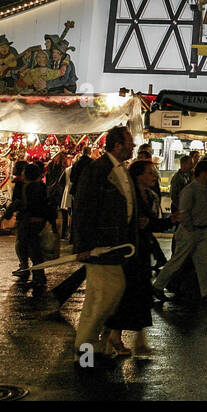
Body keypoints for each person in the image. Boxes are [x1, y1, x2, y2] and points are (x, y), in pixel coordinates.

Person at [72, 126, 139, 362]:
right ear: (118, 145)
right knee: (109, 292)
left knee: (99, 295)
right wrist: (83, 246)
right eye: (129, 142)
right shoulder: (98, 170)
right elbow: (83, 208)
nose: (133, 146)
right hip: (102, 244)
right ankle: (88, 343)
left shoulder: (120, 170)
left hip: (116, 243)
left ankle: (90, 344)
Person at [105, 158, 160, 357]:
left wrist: (170, 220)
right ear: (138, 176)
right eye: (149, 173)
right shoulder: (130, 196)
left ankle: (134, 339)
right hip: (130, 250)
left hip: (143, 249)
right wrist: (137, 225)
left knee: (141, 294)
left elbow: (152, 223)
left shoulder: (148, 196)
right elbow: (123, 220)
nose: (153, 176)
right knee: (130, 293)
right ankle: (119, 336)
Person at [153, 157, 207, 304]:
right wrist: (190, 227)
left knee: (204, 263)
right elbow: (184, 211)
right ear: (202, 173)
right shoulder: (190, 190)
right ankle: (158, 286)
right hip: (190, 231)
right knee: (177, 262)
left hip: (202, 231)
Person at [14, 162, 53, 291]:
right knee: (34, 250)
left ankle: (39, 277)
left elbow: (31, 204)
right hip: (36, 221)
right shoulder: (39, 186)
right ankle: (37, 276)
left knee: (34, 250)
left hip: (31, 222)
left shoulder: (32, 187)